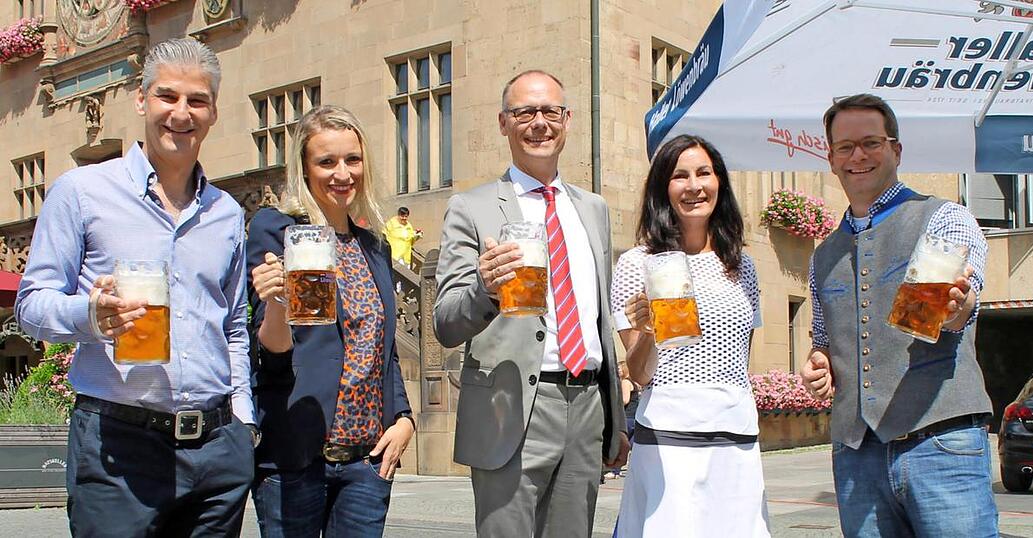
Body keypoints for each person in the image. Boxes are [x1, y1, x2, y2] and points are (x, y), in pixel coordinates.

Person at [14, 38, 256, 536]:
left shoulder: (227, 214)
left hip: (215, 449)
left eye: (197, 101)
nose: (181, 113)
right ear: (141, 100)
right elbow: (30, 306)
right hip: (118, 448)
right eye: (168, 97)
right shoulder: (82, 193)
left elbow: (232, 325)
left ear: (213, 113)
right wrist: (90, 315)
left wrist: (244, 423)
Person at [434, 70, 629, 537]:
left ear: (567, 120)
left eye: (549, 111)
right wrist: (485, 289)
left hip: (585, 407)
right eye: (524, 112)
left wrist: (614, 420)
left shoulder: (593, 209)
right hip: (512, 406)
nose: (538, 123)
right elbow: (445, 322)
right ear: (504, 123)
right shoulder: (472, 207)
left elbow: (599, 320)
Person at [800, 93, 997, 537]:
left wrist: (956, 306)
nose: (858, 156)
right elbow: (823, 340)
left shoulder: (944, 219)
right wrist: (819, 363)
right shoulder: (824, 255)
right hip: (857, 454)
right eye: (845, 147)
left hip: (940, 443)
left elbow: (961, 307)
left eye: (871, 142)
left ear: (896, 150)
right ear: (831, 159)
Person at [247, 105, 414, 536]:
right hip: (297, 452)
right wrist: (278, 301)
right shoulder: (278, 230)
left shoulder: (373, 246)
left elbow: (383, 348)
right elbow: (271, 350)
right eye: (326, 162)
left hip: (366, 459)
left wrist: (404, 418)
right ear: (304, 168)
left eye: (352, 160)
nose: (342, 173)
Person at [611, 135, 770, 537]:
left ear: (720, 182)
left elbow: (738, 363)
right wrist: (646, 333)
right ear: (663, 188)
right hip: (669, 442)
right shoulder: (637, 264)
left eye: (704, 173)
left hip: (735, 438)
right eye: (680, 176)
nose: (694, 186)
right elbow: (640, 373)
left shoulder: (742, 266)